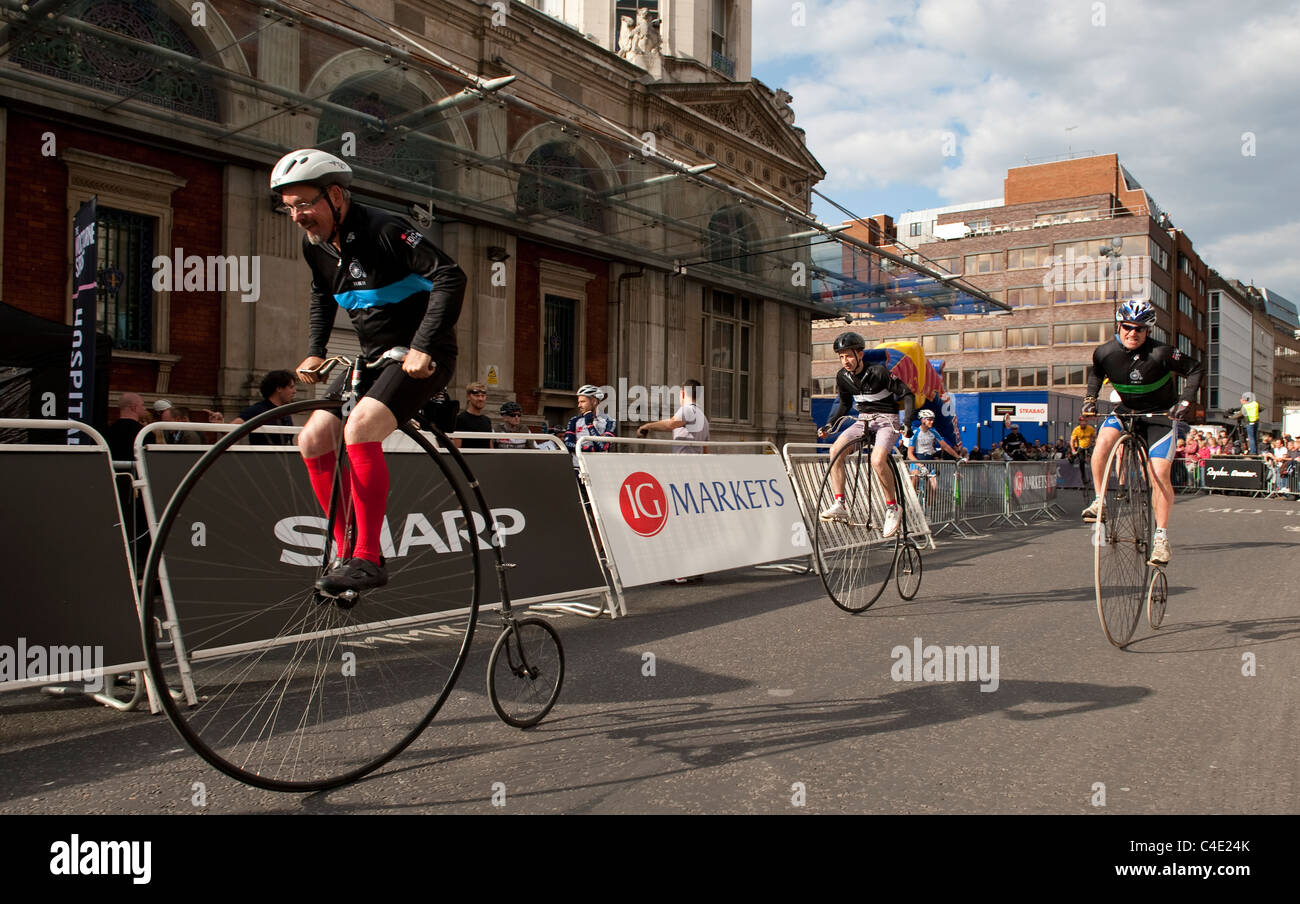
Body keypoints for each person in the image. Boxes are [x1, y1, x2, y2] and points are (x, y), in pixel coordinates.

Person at [275, 148, 467, 595]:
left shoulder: (386, 229)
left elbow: (450, 276)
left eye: (305, 204)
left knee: (360, 429)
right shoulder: (316, 247)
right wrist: (314, 350)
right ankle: (349, 553)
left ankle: (368, 557)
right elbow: (322, 294)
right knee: (313, 438)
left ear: (336, 195)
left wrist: (421, 347)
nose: (298, 216)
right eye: (289, 208)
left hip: (424, 356)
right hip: (373, 356)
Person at [1081, 299, 1204, 566]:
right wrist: (1090, 397)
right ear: (1119, 325)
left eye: (1139, 329)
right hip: (1126, 411)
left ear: (1148, 330)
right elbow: (1096, 373)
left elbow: (1195, 368)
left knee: (1158, 474)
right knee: (1101, 443)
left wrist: (1185, 401)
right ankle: (1100, 500)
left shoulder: (1162, 353)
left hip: (1159, 417)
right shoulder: (1105, 352)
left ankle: (1161, 537)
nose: (1132, 333)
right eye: (1127, 327)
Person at [816, 331, 915, 538]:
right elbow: (844, 404)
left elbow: (907, 394)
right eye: (841, 356)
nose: (845, 361)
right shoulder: (842, 377)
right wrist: (829, 425)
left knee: (877, 460)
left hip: (887, 420)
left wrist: (907, 423)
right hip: (863, 420)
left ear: (860, 354)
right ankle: (840, 503)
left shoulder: (879, 372)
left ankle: (893, 507)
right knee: (835, 450)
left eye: (849, 356)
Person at [635, 379, 710, 453]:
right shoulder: (704, 418)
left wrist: (648, 426)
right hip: (697, 463)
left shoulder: (687, 409)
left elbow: (671, 424)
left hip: (684, 462)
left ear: (683, 393)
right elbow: (705, 450)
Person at [905, 408, 963, 498]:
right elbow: (909, 454)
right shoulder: (915, 433)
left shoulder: (933, 432)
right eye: (929, 419)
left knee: (934, 488)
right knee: (915, 480)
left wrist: (958, 457)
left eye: (933, 419)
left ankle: (929, 510)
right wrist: (920, 465)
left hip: (929, 461)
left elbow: (945, 446)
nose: (932, 422)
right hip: (917, 461)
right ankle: (911, 504)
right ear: (923, 420)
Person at [231, 370, 297, 445]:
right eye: (291, 387)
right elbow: (230, 431)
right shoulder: (257, 410)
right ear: (279, 388)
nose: (294, 391)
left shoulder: (285, 411)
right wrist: (219, 423)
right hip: (262, 455)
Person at [564, 384, 618, 464]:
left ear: (594, 402)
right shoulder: (574, 420)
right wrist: (587, 449)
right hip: (579, 467)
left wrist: (589, 425)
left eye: (583, 402)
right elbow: (568, 444)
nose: (579, 405)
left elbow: (603, 447)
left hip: (599, 466)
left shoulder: (609, 421)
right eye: (579, 402)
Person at [105, 392, 148, 462]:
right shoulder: (145, 433)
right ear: (134, 407)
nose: (144, 408)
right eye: (142, 405)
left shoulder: (106, 431)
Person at [454, 382, 493, 449]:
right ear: (468, 397)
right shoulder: (460, 419)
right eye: (477, 395)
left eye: (483, 396)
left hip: (486, 458)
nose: (480, 399)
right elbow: (456, 447)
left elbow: (490, 447)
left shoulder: (487, 420)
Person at [1070, 414, 1097, 489]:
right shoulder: (1076, 429)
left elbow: (1095, 437)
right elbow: (1072, 440)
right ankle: (1083, 477)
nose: (1083, 423)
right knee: (1081, 461)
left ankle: (1095, 475)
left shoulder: (1090, 428)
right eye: (1082, 422)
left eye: (1085, 422)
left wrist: (1095, 443)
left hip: (1088, 446)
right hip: (1080, 447)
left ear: (1086, 422)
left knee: (1095, 458)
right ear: (1080, 422)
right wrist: (1073, 449)